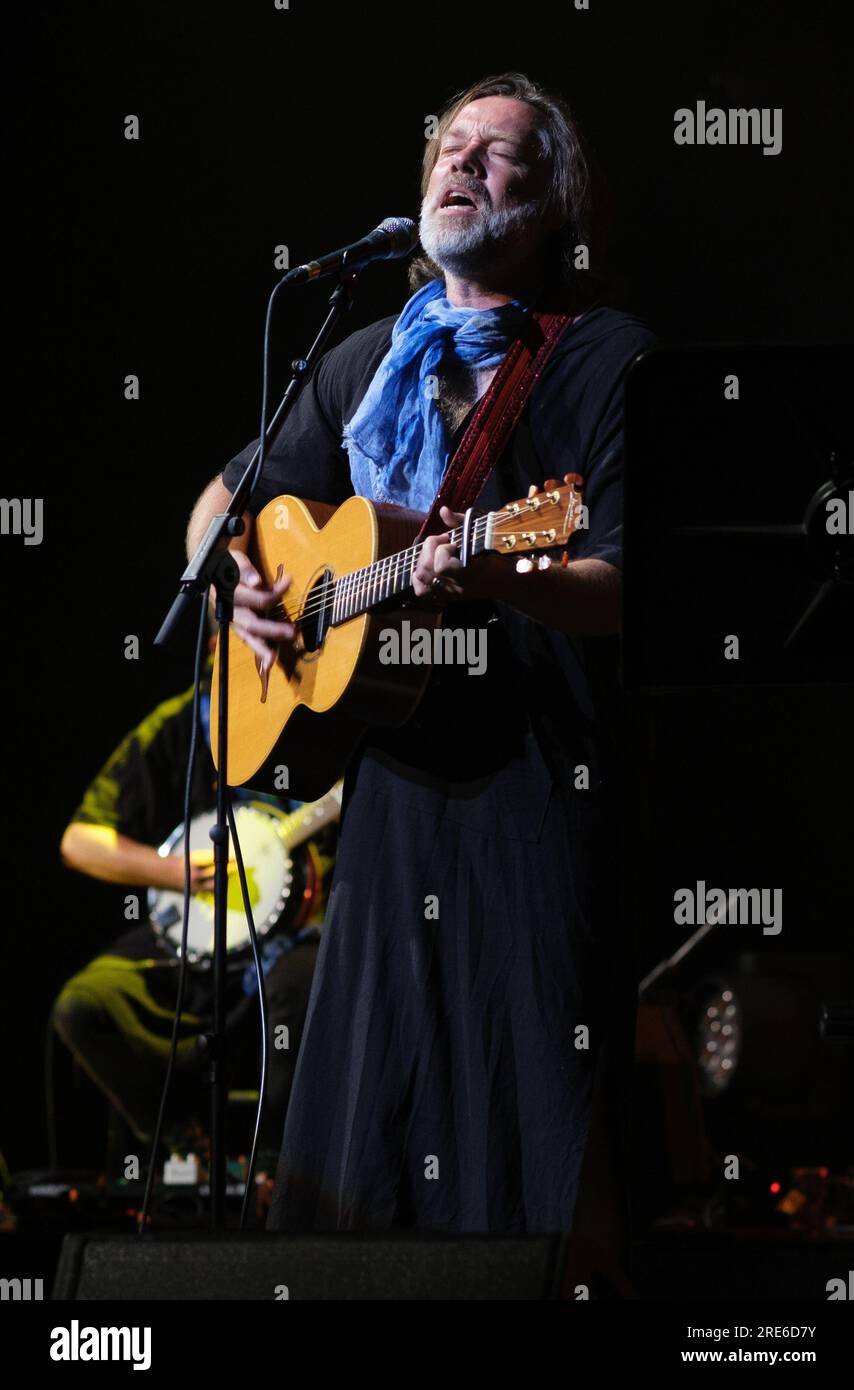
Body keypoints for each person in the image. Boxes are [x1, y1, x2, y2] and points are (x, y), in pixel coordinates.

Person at [186, 72, 657, 1269]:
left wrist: (503, 575)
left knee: (537, 1114)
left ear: (555, 204)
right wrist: (237, 576)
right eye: (451, 146)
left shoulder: (606, 358)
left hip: (539, 788)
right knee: (365, 1135)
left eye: (501, 155)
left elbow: (626, 581)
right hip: (396, 793)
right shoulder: (360, 358)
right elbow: (215, 507)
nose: (464, 164)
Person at [52, 660, 336, 1161]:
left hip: (302, 932)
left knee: (300, 988)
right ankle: (183, 1145)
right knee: (85, 1004)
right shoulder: (182, 722)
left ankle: (279, 1175)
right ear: (214, 645)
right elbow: (79, 841)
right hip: (198, 935)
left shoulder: (323, 698)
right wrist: (174, 872)